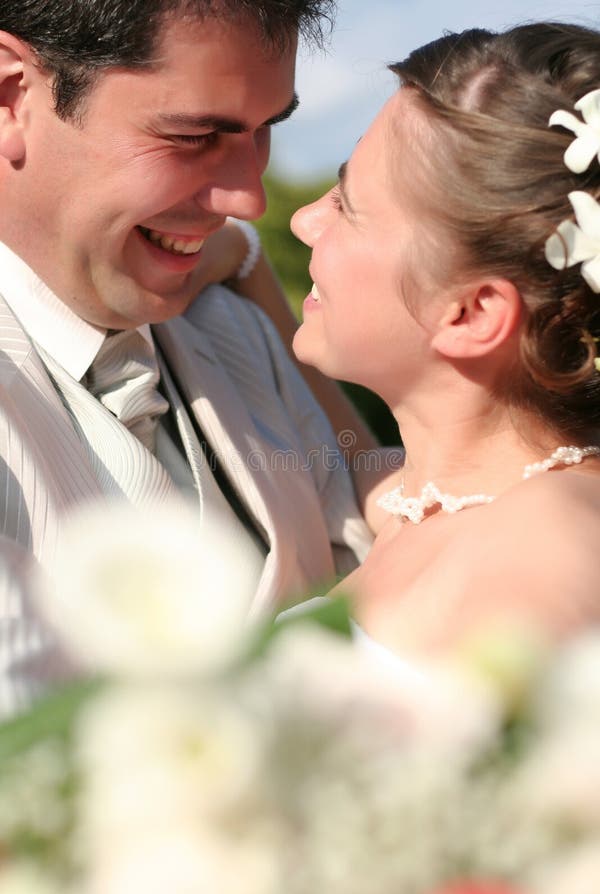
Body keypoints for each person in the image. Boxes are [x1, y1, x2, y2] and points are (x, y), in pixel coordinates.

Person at [0, 0, 383, 710]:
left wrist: (254, 280)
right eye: (197, 135)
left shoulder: (235, 331)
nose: (248, 198)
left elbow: (374, 526)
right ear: (11, 95)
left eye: (268, 130)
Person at [291, 22, 600, 658]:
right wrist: (246, 278)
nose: (303, 219)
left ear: (471, 313)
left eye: (348, 206)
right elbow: (339, 461)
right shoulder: (423, 501)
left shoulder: (551, 557)